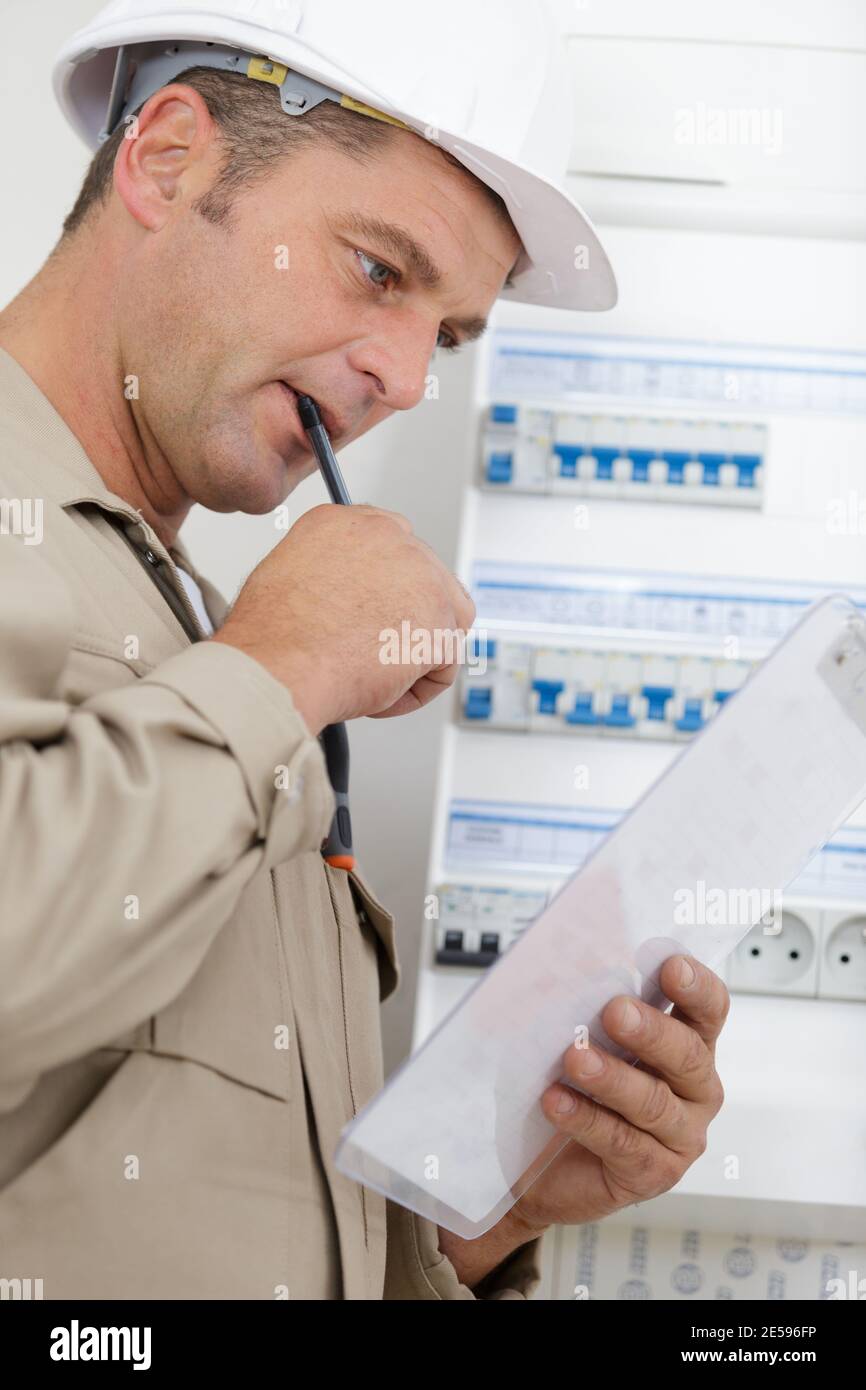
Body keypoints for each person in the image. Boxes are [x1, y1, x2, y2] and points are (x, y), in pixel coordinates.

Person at [0, 0, 728, 1299]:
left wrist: (478, 1216)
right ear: (169, 161)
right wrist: (278, 663)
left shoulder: (202, 633)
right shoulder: (255, 660)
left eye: (445, 335)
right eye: (379, 271)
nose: (401, 376)